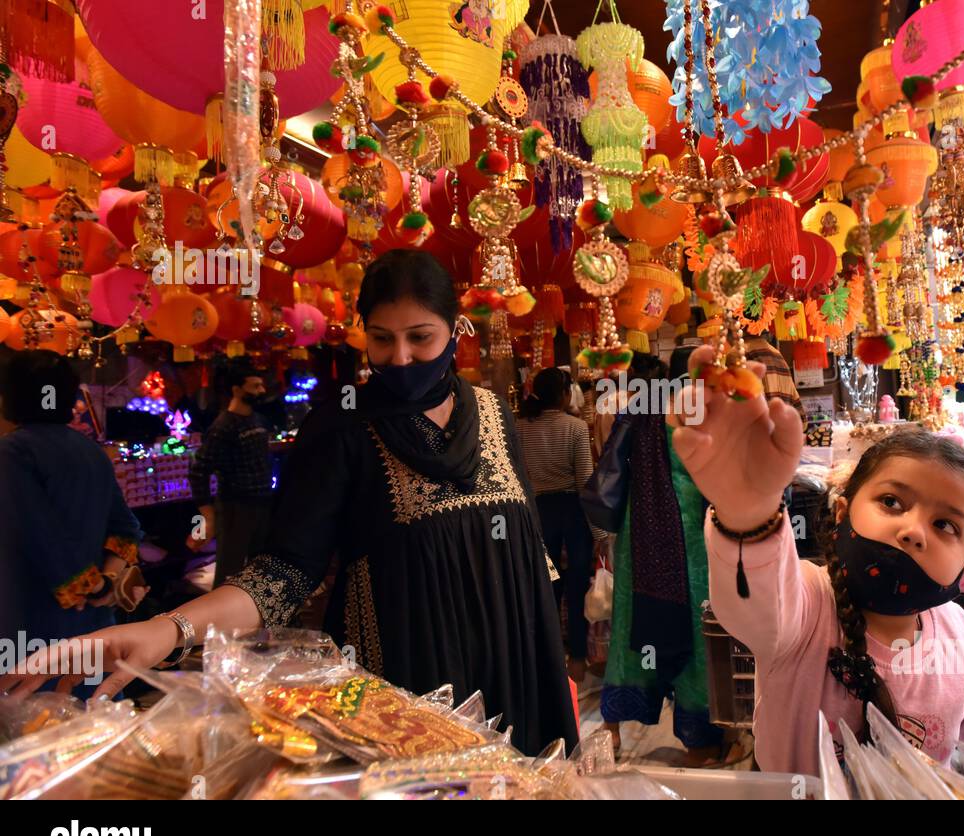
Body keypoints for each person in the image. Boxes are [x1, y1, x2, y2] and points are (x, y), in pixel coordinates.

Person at [2, 250, 577, 755]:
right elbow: (284, 572)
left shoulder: (494, 411)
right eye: (382, 338)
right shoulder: (342, 426)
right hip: (406, 679)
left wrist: (552, 662)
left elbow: (524, 547)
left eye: (419, 337)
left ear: (455, 330)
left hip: (514, 659)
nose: (399, 358)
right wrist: (168, 629)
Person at [668, 348, 964, 774]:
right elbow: (756, 602)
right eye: (892, 502)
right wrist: (750, 513)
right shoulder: (806, 608)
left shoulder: (960, 634)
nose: (914, 530)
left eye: (946, 526)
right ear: (842, 512)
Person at [598, 351, 725, 764]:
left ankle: (614, 729)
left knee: (632, 620)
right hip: (691, 537)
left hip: (641, 536)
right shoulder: (701, 411)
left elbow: (611, 464)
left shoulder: (639, 407)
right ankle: (700, 734)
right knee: (696, 623)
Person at [0, 351, 148, 664]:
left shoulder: (13, 451)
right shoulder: (91, 451)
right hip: (92, 619)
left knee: (35, 708)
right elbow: (127, 528)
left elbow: (38, 530)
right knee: (92, 705)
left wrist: (85, 586)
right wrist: (104, 583)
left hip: (32, 612)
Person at [517, 366, 600, 680]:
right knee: (577, 589)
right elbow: (585, 483)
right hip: (573, 513)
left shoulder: (520, 426)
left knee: (546, 588)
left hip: (536, 513)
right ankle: (577, 662)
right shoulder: (575, 428)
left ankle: (549, 663)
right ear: (565, 394)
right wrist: (600, 531)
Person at [186, 362, 275, 585]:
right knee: (230, 572)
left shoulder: (258, 420)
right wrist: (208, 516)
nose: (261, 391)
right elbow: (199, 472)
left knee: (261, 569)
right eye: (255, 386)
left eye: (261, 386)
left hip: (263, 504)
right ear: (237, 390)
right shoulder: (222, 427)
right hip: (235, 506)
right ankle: (224, 619)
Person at [745, 331, 804, 421]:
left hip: (761, 429)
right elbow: (796, 402)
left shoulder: (740, 352)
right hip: (785, 426)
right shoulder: (777, 354)